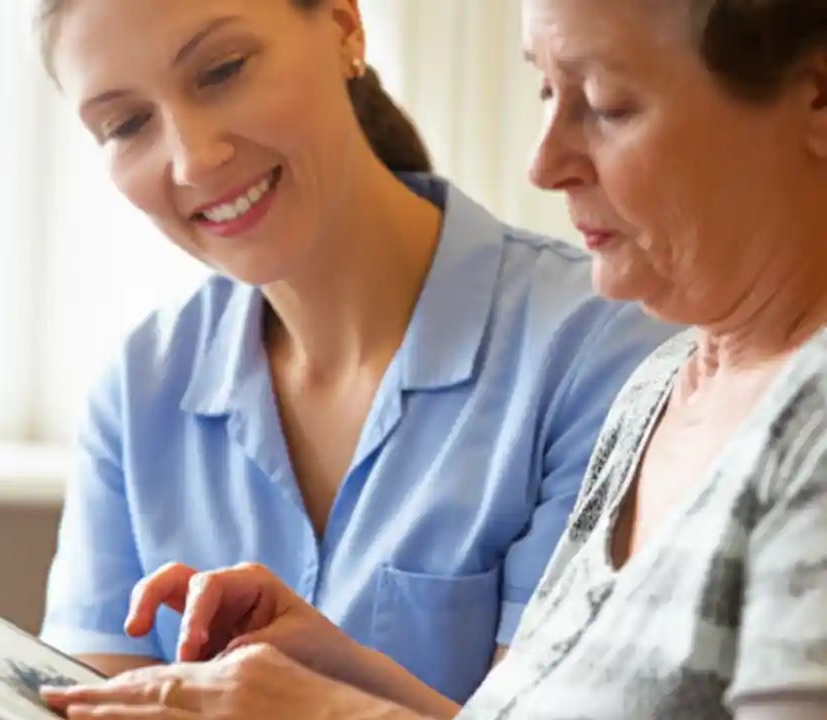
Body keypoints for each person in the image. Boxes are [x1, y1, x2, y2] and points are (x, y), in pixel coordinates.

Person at [41, 0, 827, 717]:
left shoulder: (611, 349)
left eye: (607, 105)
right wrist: (335, 668)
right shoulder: (663, 393)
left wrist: (324, 709)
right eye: (124, 125)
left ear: (348, 29)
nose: (194, 158)